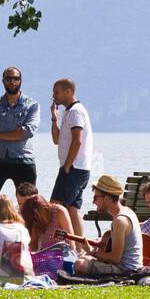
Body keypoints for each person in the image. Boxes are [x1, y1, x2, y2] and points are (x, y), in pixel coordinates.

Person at [0, 67, 40, 210]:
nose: (12, 81)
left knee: (31, 205)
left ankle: (31, 233)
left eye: (15, 78)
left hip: (23, 160)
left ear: (21, 81)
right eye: (8, 78)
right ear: (3, 81)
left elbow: (26, 132)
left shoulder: (32, 105)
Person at [49, 77, 93, 240]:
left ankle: (54, 244)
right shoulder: (68, 112)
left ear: (69, 92)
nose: (54, 96)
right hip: (77, 168)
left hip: (74, 168)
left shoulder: (76, 111)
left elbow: (77, 140)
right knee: (73, 209)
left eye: (57, 92)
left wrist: (67, 166)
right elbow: (56, 139)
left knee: (55, 207)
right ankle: (81, 246)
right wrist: (54, 118)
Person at [74, 175, 143, 277]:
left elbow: (115, 258)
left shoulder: (120, 220)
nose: (93, 202)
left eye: (95, 198)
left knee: (80, 264)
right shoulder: (128, 211)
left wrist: (91, 251)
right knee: (83, 258)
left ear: (107, 198)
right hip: (128, 267)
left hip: (126, 271)